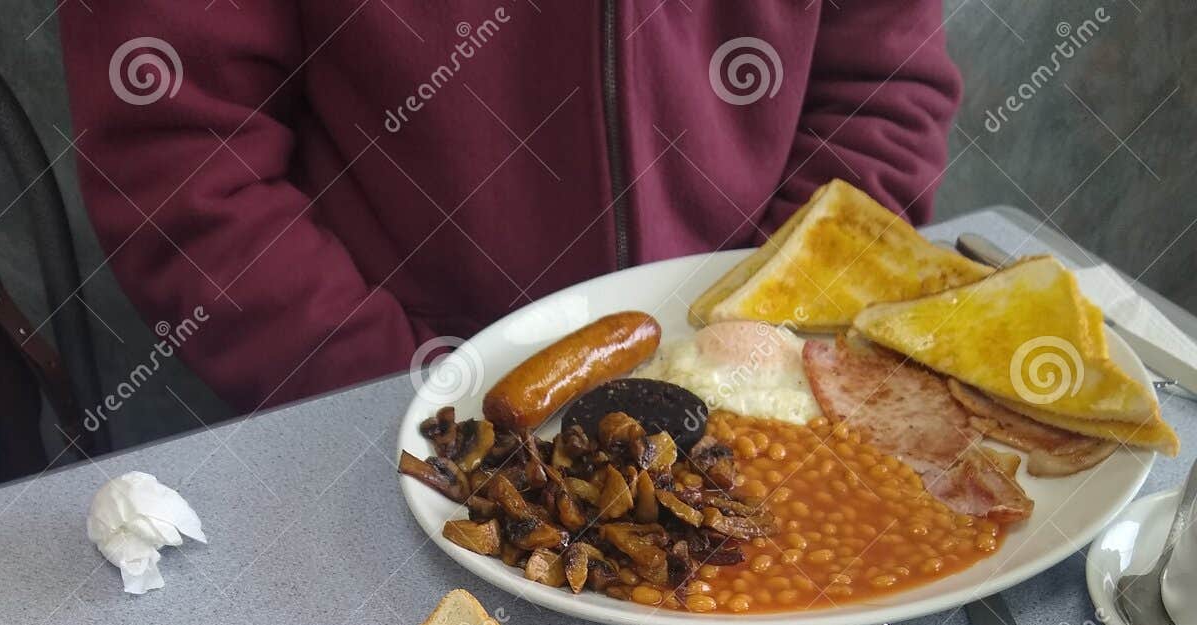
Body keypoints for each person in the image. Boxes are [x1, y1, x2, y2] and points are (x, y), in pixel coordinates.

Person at [60, 2, 961, 415]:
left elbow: (883, 96)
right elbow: (182, 163)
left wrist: (758, 357)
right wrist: (410, 397)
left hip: (776, 391)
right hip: (388, 416)